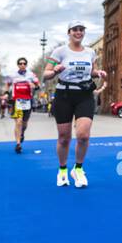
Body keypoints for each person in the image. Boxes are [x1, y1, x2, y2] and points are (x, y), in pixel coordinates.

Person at [42, 21, 106, 188]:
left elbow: (92, 71)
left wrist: (98, 72)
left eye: (81, 30)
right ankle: (62, 170)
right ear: (69, 32)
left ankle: (78, 169)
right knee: (64, 138)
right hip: (64, 94)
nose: (78, 32)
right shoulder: (60, 51)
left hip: (84, 95)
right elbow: (46, 74)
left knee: (83, 136)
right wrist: (55, 70)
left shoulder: (90, 52)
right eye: (75, 30)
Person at [7, 57, 40, 154]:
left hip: (27, 101)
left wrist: (35, 86)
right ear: (18, 65)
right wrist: (5, 93)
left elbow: (38, 85)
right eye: (20, 63)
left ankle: (22, 133)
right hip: (16, 100)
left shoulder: (31, 74)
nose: (22, 65)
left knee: (24, 123)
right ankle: (18, 144)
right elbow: (8, 84)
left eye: (24, 63)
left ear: (26, 65)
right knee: (18, 122)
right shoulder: (12, 75)